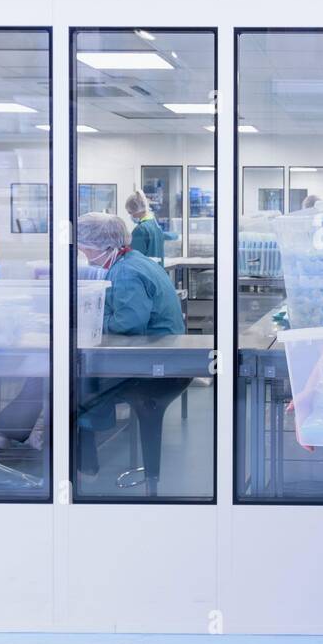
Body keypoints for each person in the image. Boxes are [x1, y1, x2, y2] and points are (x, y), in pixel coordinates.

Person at [74, 212, 188, 494]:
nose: (83, 252)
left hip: (156, 368)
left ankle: (85, 468)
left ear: (104, 246)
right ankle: (86, 462)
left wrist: (88, 321)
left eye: (84, 247)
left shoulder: (124, 272)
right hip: (163, 356)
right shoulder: (134, 261)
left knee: (79, 391)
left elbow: (128, 323)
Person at [126, 190, 167, 264]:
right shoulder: (156, 226)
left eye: (130, 213)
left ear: (137, 211)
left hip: (145, 273)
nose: (131, 216)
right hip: (158, 271)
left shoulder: (140, 230)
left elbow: (134, 259)